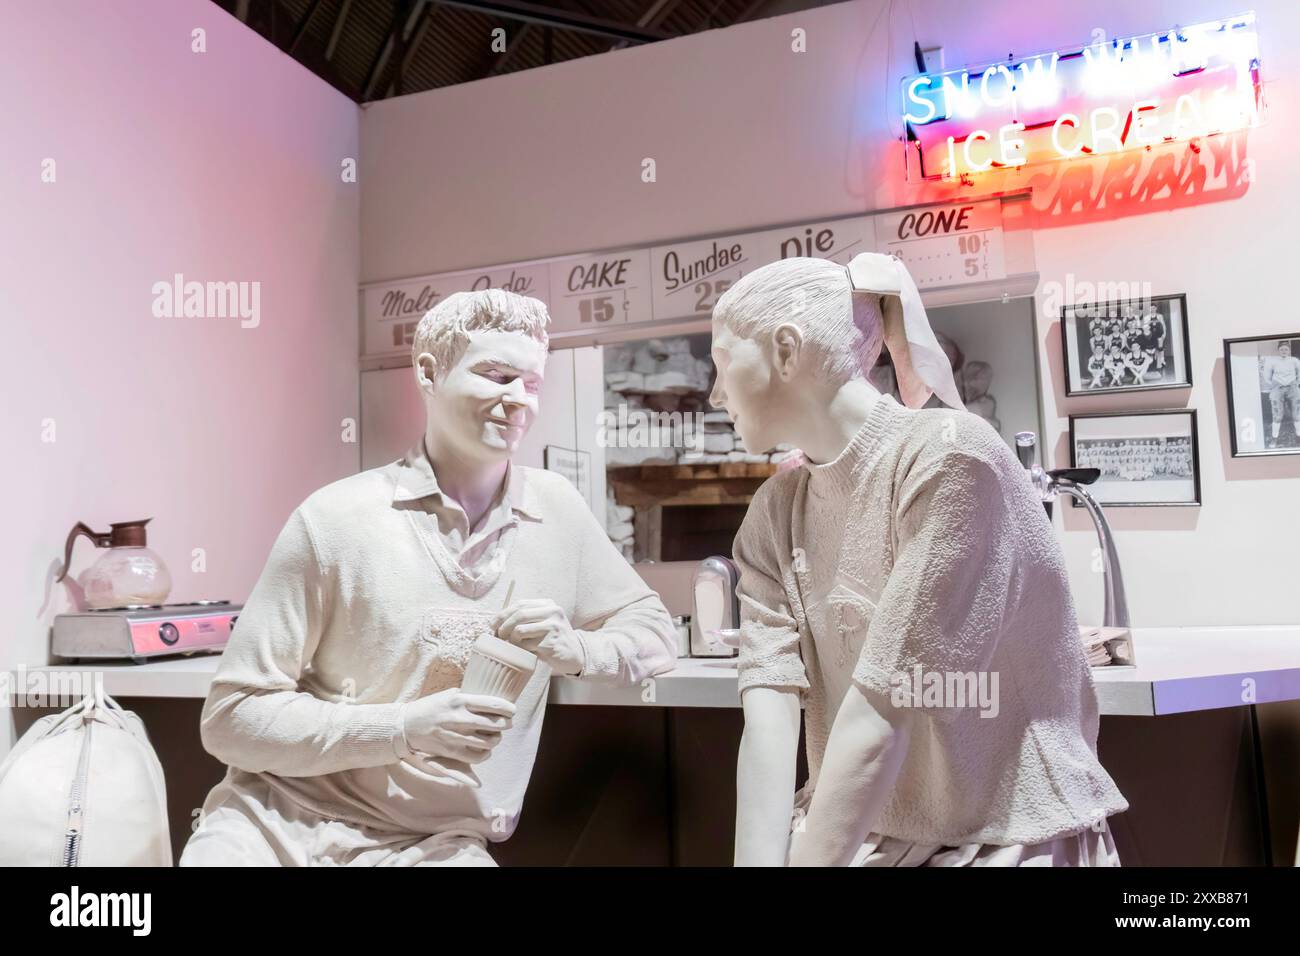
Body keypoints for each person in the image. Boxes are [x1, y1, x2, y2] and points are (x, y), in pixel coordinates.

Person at [181, 289, 676, 866]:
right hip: (273, 825)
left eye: (532, 383)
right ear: (429, 372)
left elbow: (655, 631)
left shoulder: (557, 511)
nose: (517, 400)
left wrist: (580, 648)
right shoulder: (335, 519)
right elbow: (231, 720)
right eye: (495, 375)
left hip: (435, 847)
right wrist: (404, 728)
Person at [713, 254, 1127, 867]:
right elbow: (769, 716)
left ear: (785, 349)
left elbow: (887, 707)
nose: (716, 394)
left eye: (723, 363)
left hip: (1005, 836)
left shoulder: (952, 459)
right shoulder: (777, 506)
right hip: (867, 832)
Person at [1263, 339, 1300, 447]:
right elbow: (1266, 376)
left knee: (1297, 414)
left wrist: (1296, 383)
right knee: (1277, 416)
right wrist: (1274, 385)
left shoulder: (1294, 360)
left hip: (1292, 389)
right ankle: (1274, 439)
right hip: (1277, 389)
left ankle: (1299, 436)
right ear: (1278, 350)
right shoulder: (1272, 361)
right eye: (1282, 349)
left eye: (1286, 349)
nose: (1284, 351)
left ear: (1289, 350)